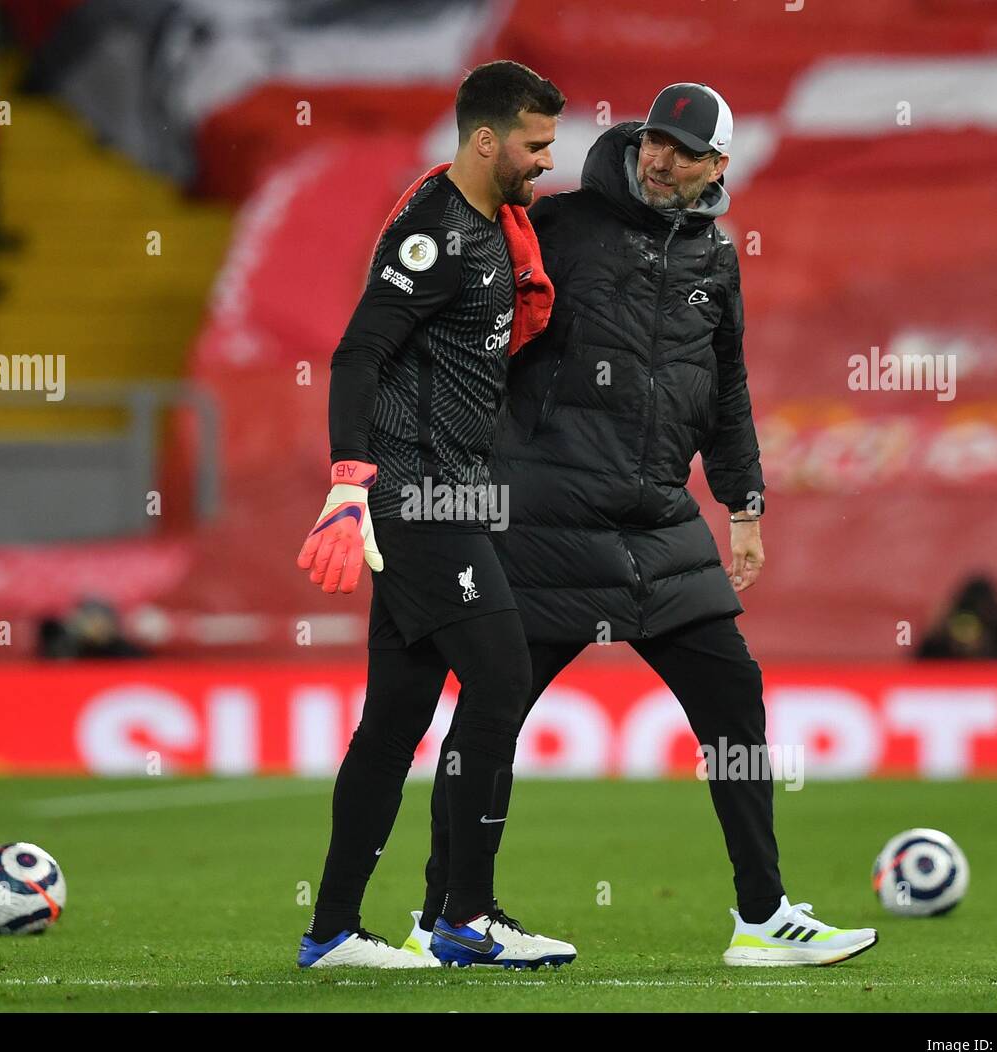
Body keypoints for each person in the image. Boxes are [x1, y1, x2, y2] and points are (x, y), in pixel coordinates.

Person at [402, 83, 877, 967]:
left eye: (685, 152)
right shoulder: (558, 225)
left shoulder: (715, 258)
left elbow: (726, 389)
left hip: (657, 522)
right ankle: (448, 915)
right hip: (544, 516)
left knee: (733, 698)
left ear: (718, 168)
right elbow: (462, 327)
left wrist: (744, 505)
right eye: (656, 141)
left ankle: (763, 916)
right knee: (492, 712)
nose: (663, 160)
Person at [293, 61, 577, 969]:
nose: (545, 159)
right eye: (535, 144)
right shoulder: (435, 234)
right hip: (416, 494)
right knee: (500, 680)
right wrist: (348, 485)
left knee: (397, 716)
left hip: (452, 489)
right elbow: (355, 354)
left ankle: (333, 930)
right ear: (486, 140)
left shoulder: (499, 228)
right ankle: (464, 915)